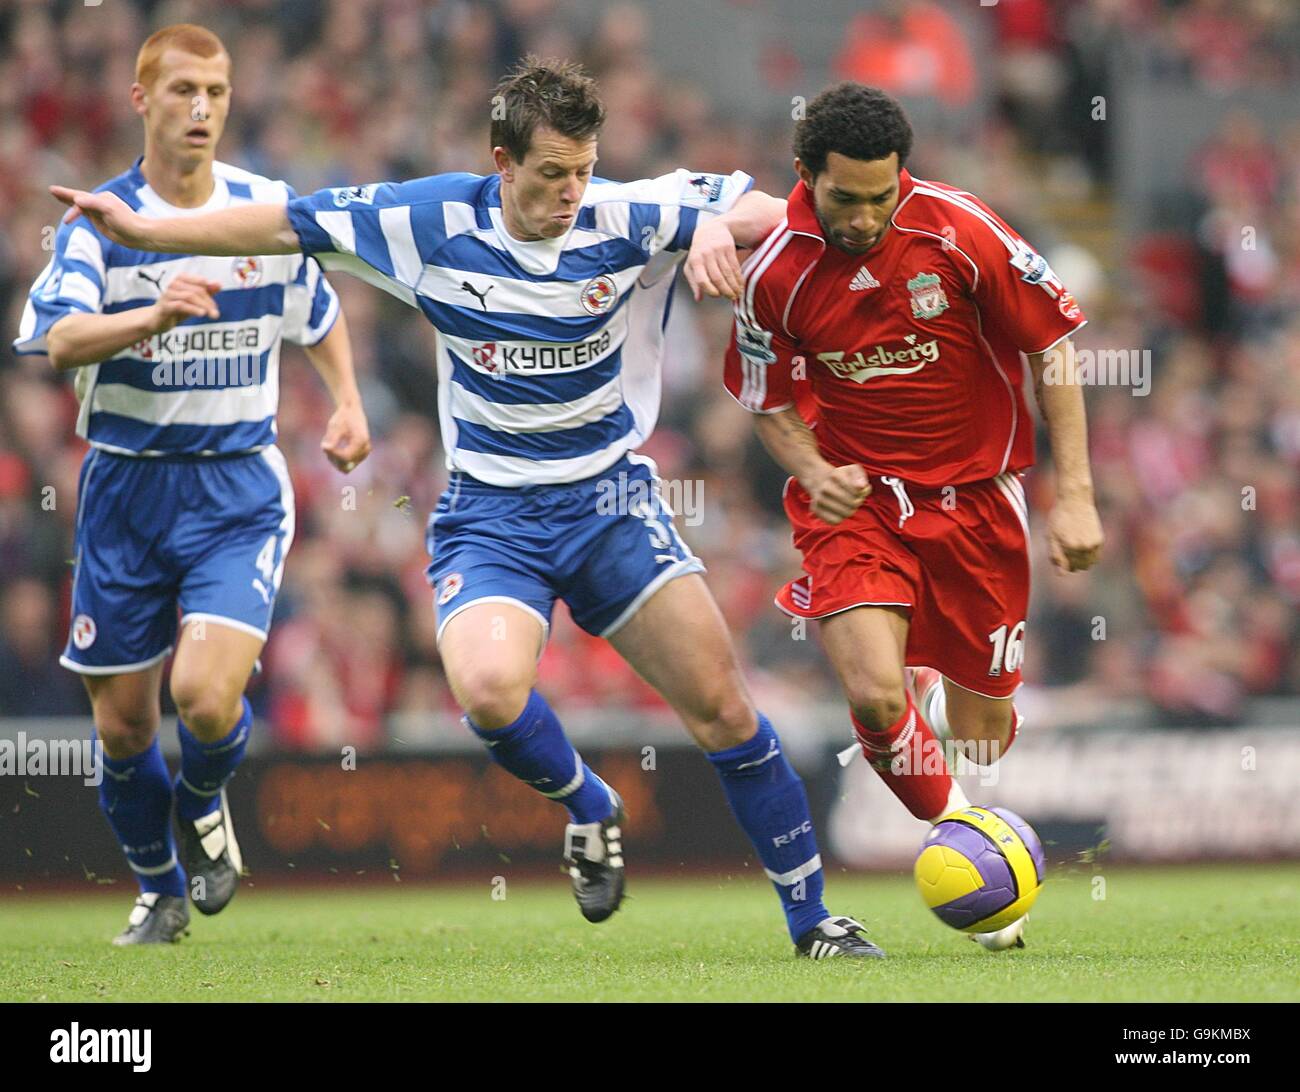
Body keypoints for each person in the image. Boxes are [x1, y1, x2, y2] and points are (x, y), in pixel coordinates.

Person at [51, 57, 883, 959]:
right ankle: (586, 803)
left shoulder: (632, 211)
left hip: (607, 501)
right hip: (490, 515)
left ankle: (815, 924)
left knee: (724, 708)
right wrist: (148, 229)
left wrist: (722, 226)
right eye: (551, 174)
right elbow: (287, 223)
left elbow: (787, 212)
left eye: (584, 171)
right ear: (502, 162)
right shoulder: (427, 220)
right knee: (489, 693)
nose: (572, 193)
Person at [723, 83, 1104, 950]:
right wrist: (813, 470)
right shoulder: (773, 271)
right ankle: (977, 864)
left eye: (880, 196)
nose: (863, 217)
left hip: (978, 504)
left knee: (982, 739)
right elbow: (767, 401)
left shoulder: (961, 229)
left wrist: (1076, 494)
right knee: (869, 687)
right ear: (804, 175)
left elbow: (1052, 346)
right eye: (844, 197)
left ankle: (938, 717)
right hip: (858, 502)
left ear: (904, 176)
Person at [15, 24, 371, 945]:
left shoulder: (262, 209)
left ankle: (205, 800)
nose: (203, 108)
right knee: (125, 730)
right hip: (125, 493)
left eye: (215, 91)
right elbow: (58, 344)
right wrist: (148, 314)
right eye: (182, 91)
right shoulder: (99, 220)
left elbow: (320, 311)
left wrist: (347, 402)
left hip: (236, 492)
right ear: (142, 101)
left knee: (206, 698)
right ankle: (159, 886)